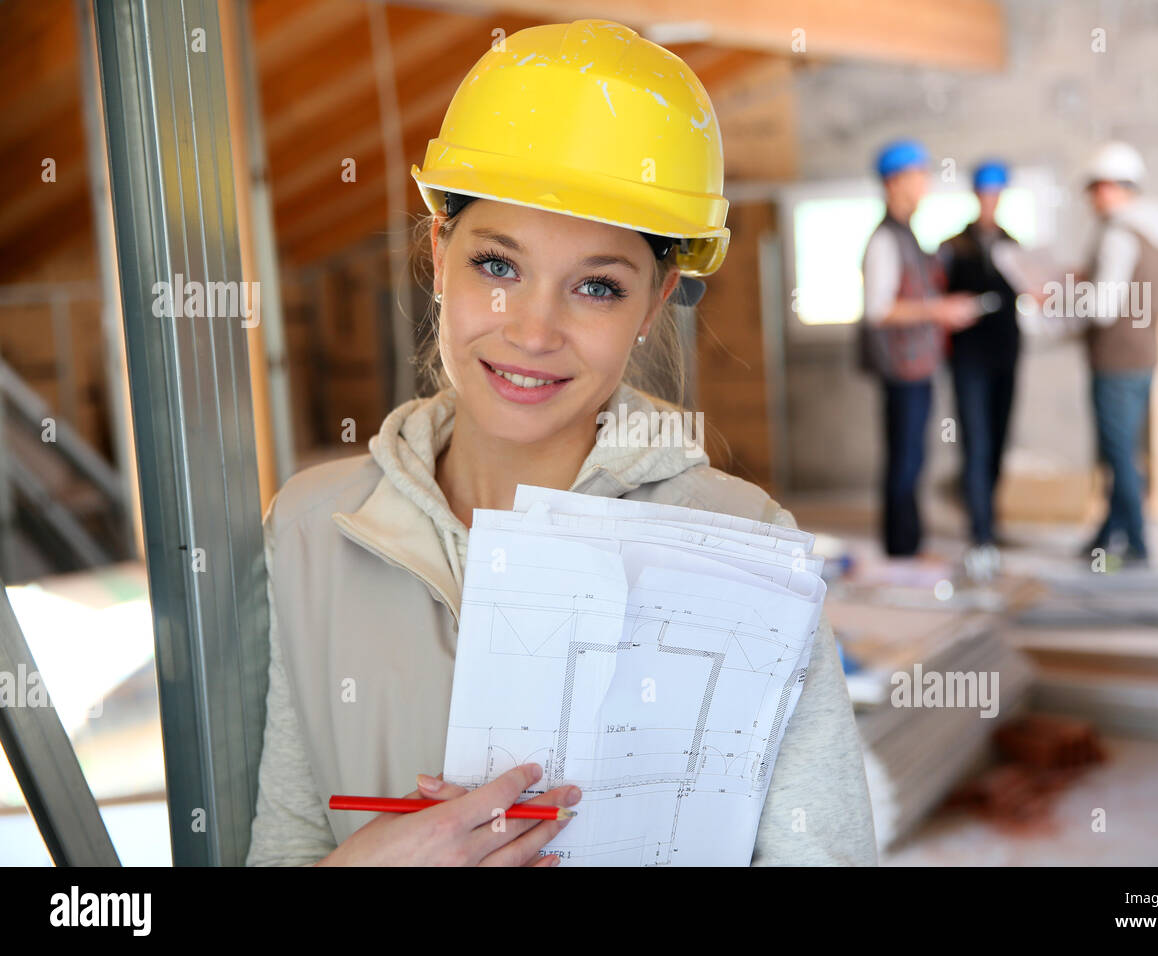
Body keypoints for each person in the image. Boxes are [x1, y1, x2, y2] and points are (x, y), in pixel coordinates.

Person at [245, 19, 875, 867]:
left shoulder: (746, 550)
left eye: (596, 286)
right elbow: (283, 844)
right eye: (497, 266)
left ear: (654, 305)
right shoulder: (315, 529)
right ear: (440, 255)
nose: (533, 330)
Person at [857, 140, 979, 558]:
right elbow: (878, 310)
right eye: (918, 175)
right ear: (895, 182)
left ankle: (909, 546)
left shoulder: (907, 234)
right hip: (901, 370)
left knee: (913, 458)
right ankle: (901, 551)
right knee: (904, 461)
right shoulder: (884, 241)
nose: (925, 183)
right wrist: (938, 309)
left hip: (919, 368)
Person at [1078, 142, 1158, 568]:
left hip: (1116, 359)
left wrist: (1059, 299)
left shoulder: (1118, 234)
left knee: (1118, 454)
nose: (1093, 198)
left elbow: (1102, 306)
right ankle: (1104, 536)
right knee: (1122, 448)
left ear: (1113, 187)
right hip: (1143, 354)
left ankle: (1137, 544)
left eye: (1097, 187)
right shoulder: (1154, 227)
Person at [937, 160, 1022, 581]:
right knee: (976, 442)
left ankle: (992, 520)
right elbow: (941, 305)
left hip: (1005, 356)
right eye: (986, 192)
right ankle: (980, 532)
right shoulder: (954, 247)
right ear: (976, 195)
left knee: (1000, 441)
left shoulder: (1013, 245)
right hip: (969, 360)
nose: (991, 200)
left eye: (997, 192)